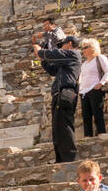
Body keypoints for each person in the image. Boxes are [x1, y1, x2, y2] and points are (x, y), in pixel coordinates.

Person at [34, 34, 81, 164]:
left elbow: (53, 54)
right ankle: (61, 158)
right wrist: (42, 59)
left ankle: (70, 158)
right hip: (60, 94)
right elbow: (52, 70)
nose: (62, 48)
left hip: (66, 93)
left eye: (64, 45)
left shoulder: (73, 54)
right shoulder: (66, 62)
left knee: (65, 126)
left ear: (70, 44)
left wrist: (40, 51)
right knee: (57, 127)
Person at [78, 37, 108, 138]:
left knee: (97, 112)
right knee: (86, 116)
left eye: (85, 47)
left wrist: (101, 83)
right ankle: (88, 136)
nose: (83, 50)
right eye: (83, 48)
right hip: (84, 92)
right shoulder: (84, 64)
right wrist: (80, 88)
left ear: (93, 48)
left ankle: (101, 133)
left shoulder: (100, 58)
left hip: (95, 89)